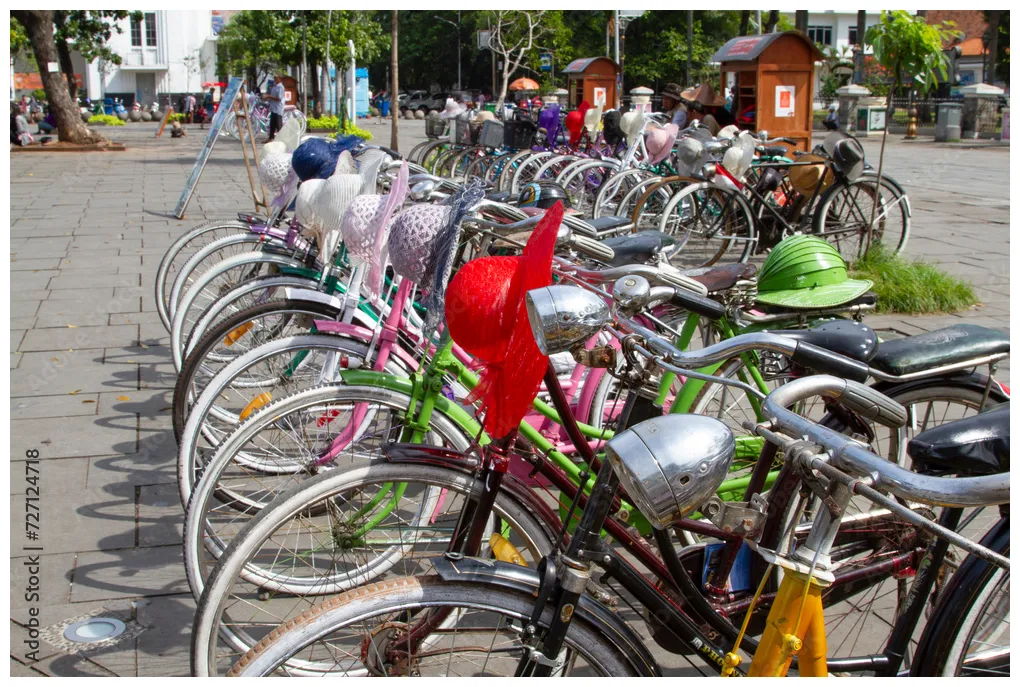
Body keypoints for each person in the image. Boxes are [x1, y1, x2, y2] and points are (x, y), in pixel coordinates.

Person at [265, 74, 286, 142]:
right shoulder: (275, 86)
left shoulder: (280, 87)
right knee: (272, 124)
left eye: (276, 78)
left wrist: (269, 96)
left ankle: (281, 140)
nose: (275, 79)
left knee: (278, 124)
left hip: (278, 108)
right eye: (274, 78)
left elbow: (279, 98)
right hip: (273, 108)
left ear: (279, 79)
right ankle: (271, 138)